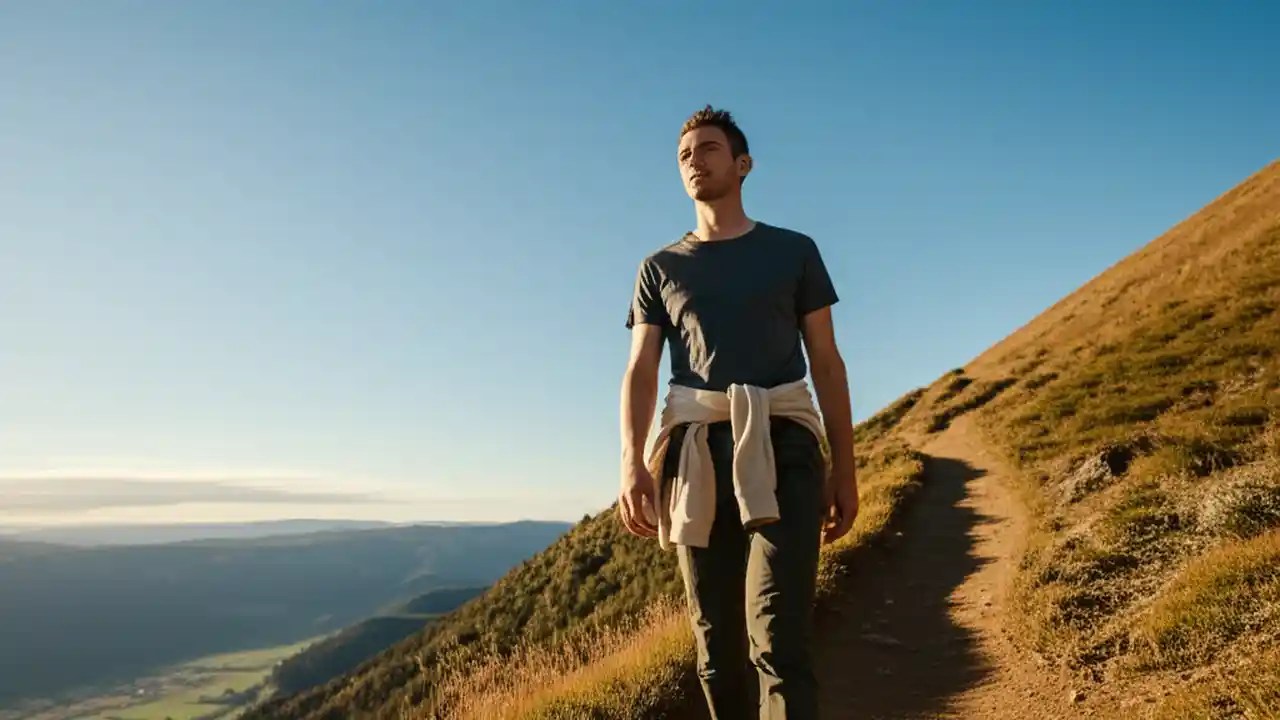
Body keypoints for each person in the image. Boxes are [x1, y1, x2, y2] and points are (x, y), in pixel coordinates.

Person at [618, 105, 859, 720]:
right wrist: (632, 463)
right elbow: (642, 369)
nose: (694, 161)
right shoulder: (659, 268)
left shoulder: (795, 252)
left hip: (785, 445)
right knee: (716, 644)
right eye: (683, 156)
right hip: (696, 453)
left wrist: (845, 469)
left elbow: (826, 363)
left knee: (779, 639)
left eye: (708, 149)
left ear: (743, 163)